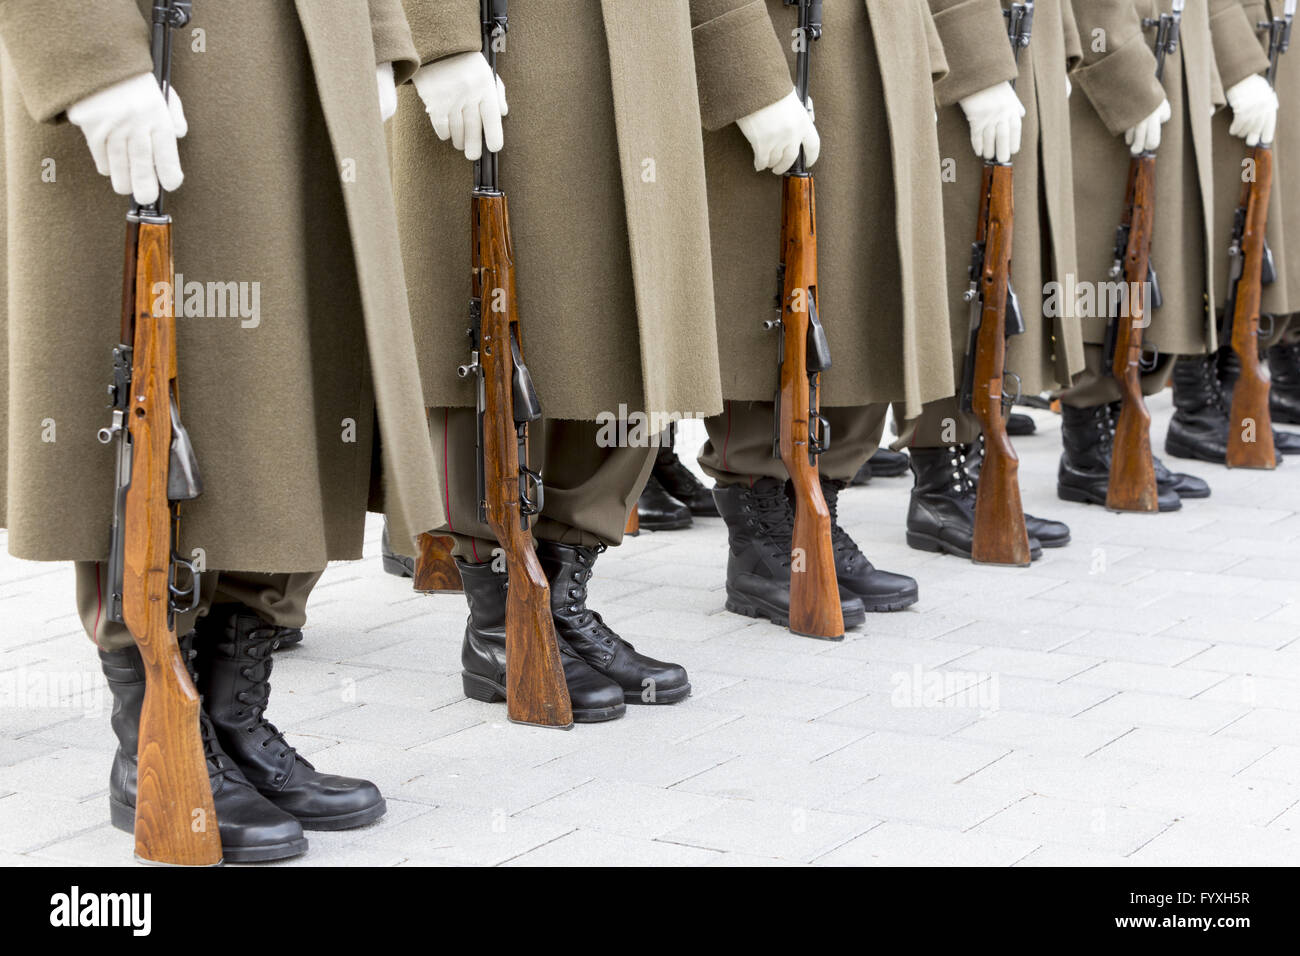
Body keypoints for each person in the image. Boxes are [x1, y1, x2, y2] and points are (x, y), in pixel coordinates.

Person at [0, 0, 443, 861]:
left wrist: (378, 32)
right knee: (149, 392)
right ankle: (155, 741)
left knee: (281, 393)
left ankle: (234, 720)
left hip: (299, 43)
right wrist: (88, 52)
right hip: (156, 49)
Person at [390, 0, 820, 719]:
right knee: (483, 341)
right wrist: (437, 35)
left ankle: (561, 600)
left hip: (646, 54)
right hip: (505, 41)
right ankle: (499, 624)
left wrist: (751, 75)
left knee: (625, 330)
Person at [699, 0, 951, 626]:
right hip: (776, 35)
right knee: (762, 277)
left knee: (861, 281)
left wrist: (922, 45)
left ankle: (821, 510)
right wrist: (749, 75)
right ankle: (761, 540)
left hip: (874, 31)